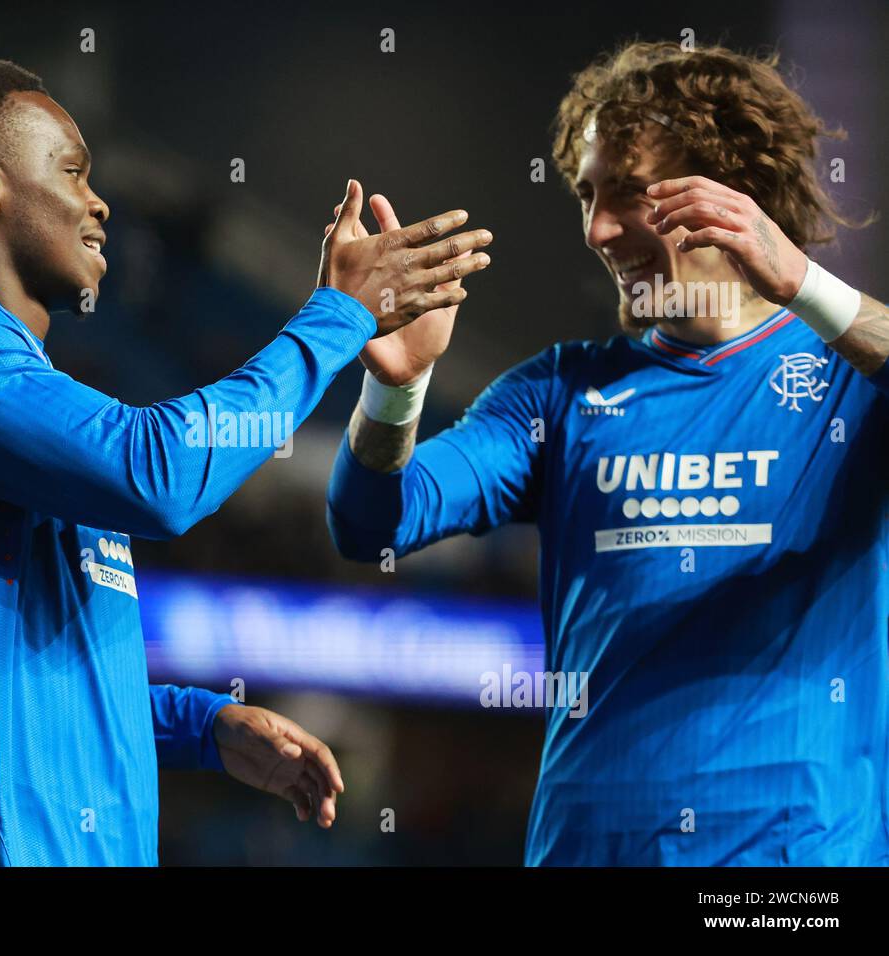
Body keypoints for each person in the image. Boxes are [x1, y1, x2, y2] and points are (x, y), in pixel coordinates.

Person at [0, 58, 493, 865]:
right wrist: (339, 318)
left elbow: (23, 684)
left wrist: (201, 724)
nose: (98, 199)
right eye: (73, 171)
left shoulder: (16, 400)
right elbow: (161, 477)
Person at [326, 40, 888, 865]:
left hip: (791, 872)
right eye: (587, 195)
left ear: (734, 189)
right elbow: (372, 523)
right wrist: (396, 389)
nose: (596, 229)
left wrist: (802, 281)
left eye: (627, 194)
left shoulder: (850, 386)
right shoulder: (560, 393)